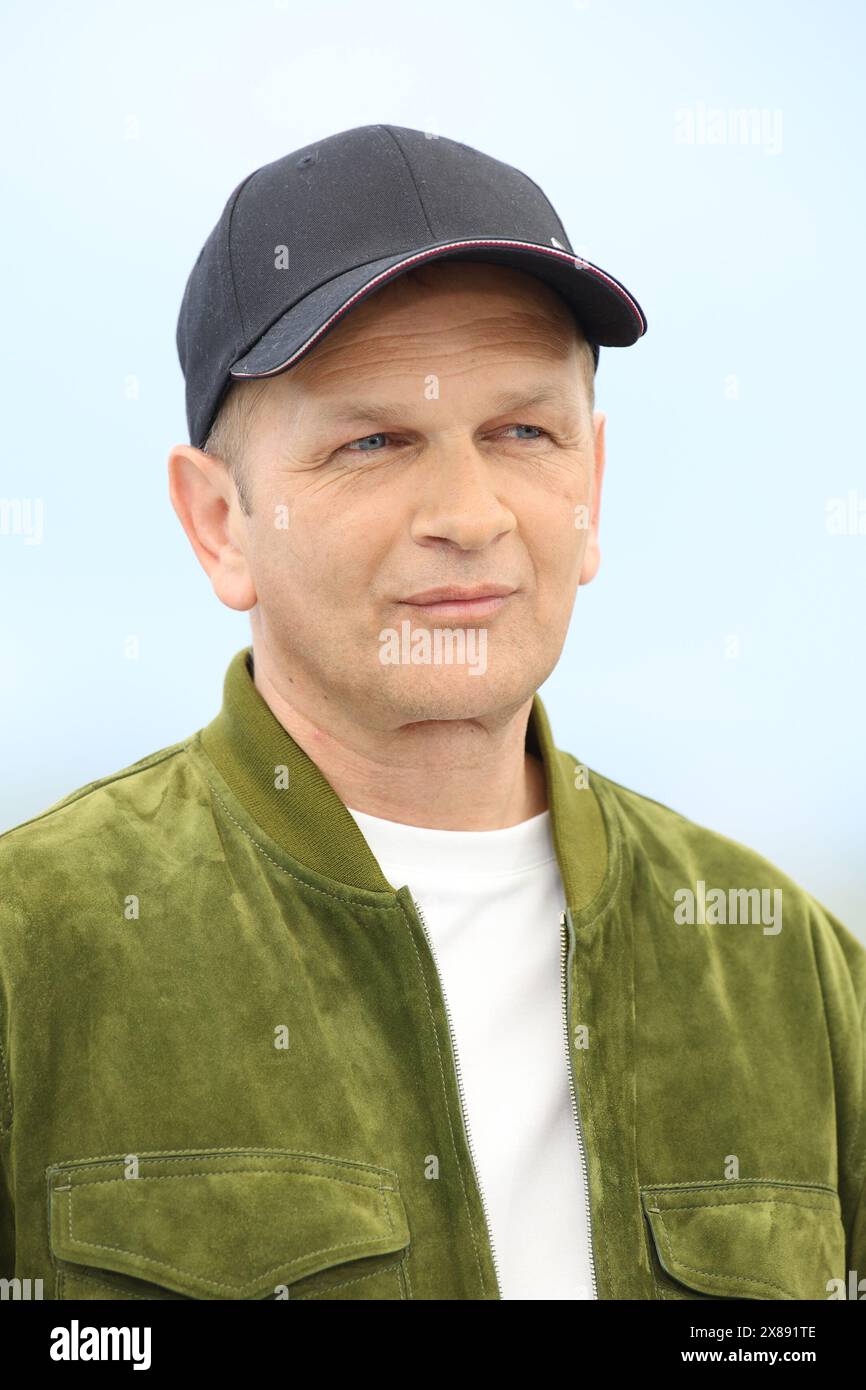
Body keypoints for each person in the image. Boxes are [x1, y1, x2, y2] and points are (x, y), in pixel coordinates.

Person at [1, 125, 862, 1302]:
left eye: (522, 432)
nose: (469, 511)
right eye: (372, 441)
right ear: (220, 523)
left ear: (591, 483)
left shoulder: (787, 969)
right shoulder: (29, 950)